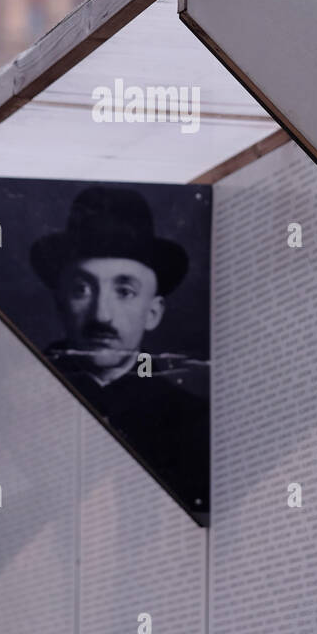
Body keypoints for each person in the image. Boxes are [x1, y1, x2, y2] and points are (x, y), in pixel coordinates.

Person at [30, 185, 209, 513]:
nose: (102, 315)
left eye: (124, 291)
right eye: (82, 289)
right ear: (60, 304)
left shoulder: (192, 420)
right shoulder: (23, 404)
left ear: (153, 312)